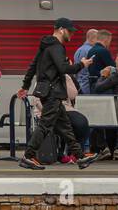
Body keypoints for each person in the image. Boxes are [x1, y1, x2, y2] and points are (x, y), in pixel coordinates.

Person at [16, 17, 99, 170]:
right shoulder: (57, 46)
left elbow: (33, 65)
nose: (71, 35)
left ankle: (80, 157)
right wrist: (82, 64)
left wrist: (25, 85)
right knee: (45, 125)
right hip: (53, 91)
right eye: (70, 31)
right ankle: (28, 156)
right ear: (61, 29)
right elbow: (63, 68)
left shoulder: (45, 45)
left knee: (65, 127)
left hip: (49, 91)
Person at [74, 29, 100, 94]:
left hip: (77, 85)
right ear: (93, 39)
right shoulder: (92, 51)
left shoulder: (78, 50)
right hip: (87, 86)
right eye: (98, 39)